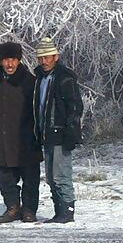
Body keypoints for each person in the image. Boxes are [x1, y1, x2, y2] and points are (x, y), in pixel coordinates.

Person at [0, 41, 42, 223]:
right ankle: (12, 208)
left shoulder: (31, 82)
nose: (10, 64)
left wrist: (37, 133)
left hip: (27, 140)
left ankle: (29, 210)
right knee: (5, 179)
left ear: (19, 60)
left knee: (30, 179)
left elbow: (39, 110)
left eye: (13, 60)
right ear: (0, 61)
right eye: (6, 60)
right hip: (2, 140)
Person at [33, 36, 84, 224]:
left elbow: (75, 106)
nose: (44, 61)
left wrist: (71, 131)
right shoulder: (40, 77)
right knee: (51, 177)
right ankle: (59, 212)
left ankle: (67, 212)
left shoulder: (65, 77)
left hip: (61, 133)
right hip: (46, 133)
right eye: (40, 57)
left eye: (47, 57)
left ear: (56, 56)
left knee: (61, 175)